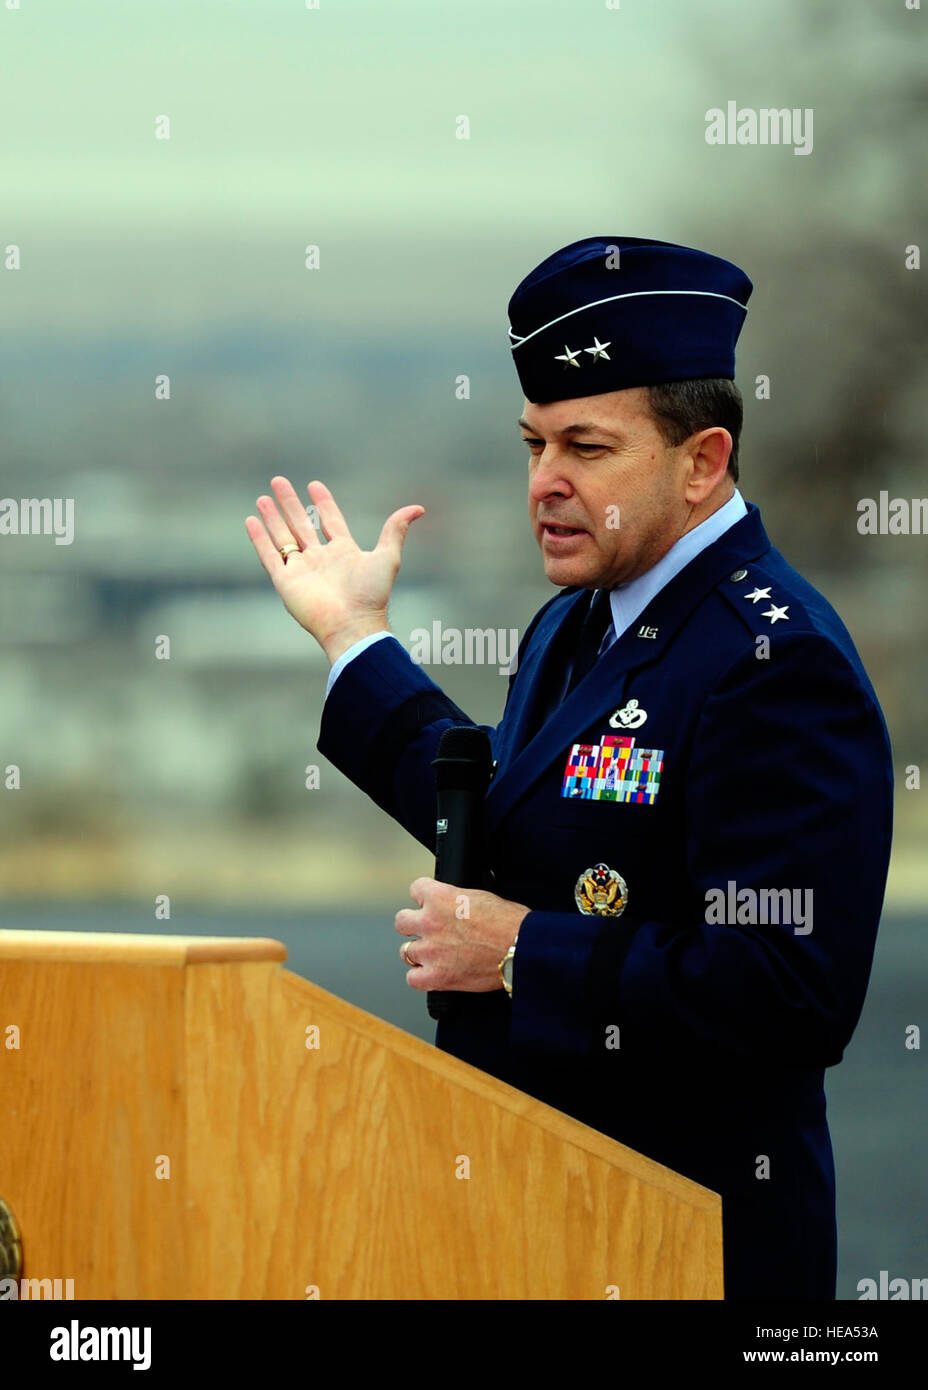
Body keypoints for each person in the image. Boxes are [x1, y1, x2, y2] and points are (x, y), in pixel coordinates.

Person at [245, 235, 893, 1300]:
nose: (544, 482)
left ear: (701, 462)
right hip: (540, 1222)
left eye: (585, 447)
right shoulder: (576, 620)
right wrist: (355, 642)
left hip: (691, 1247)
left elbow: (789, 990)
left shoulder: (774, 659)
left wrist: (517, 954)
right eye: (532, 444)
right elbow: (525, 822)